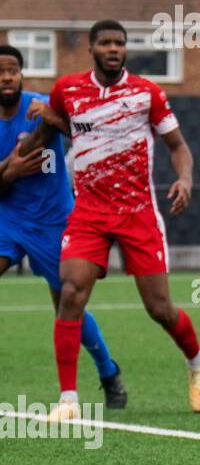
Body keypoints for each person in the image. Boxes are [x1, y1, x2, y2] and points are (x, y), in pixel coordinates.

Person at [18, 21, 200, 420]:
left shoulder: (147, 93)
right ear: (91, 49)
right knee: (70, 292)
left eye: (119, 43)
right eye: (105, 43)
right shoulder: (68, 89)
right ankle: (68, 401)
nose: (113, 49)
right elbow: (58, 126)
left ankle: (196, 361)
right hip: (88, 211)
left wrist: (186, 177)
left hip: (137, 212)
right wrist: (32, 139)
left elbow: (178, 146)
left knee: (159, 308)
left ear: (125, 50)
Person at [0, 45, 124, 407]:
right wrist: (9, 171)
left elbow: (87, 131)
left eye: (12, 70)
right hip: (6, 217)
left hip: (53, 219)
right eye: (0, 71)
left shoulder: (42, 106)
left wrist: (55, 120)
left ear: (22, 75)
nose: (6, 77)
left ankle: (108, 370)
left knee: (68, 304)